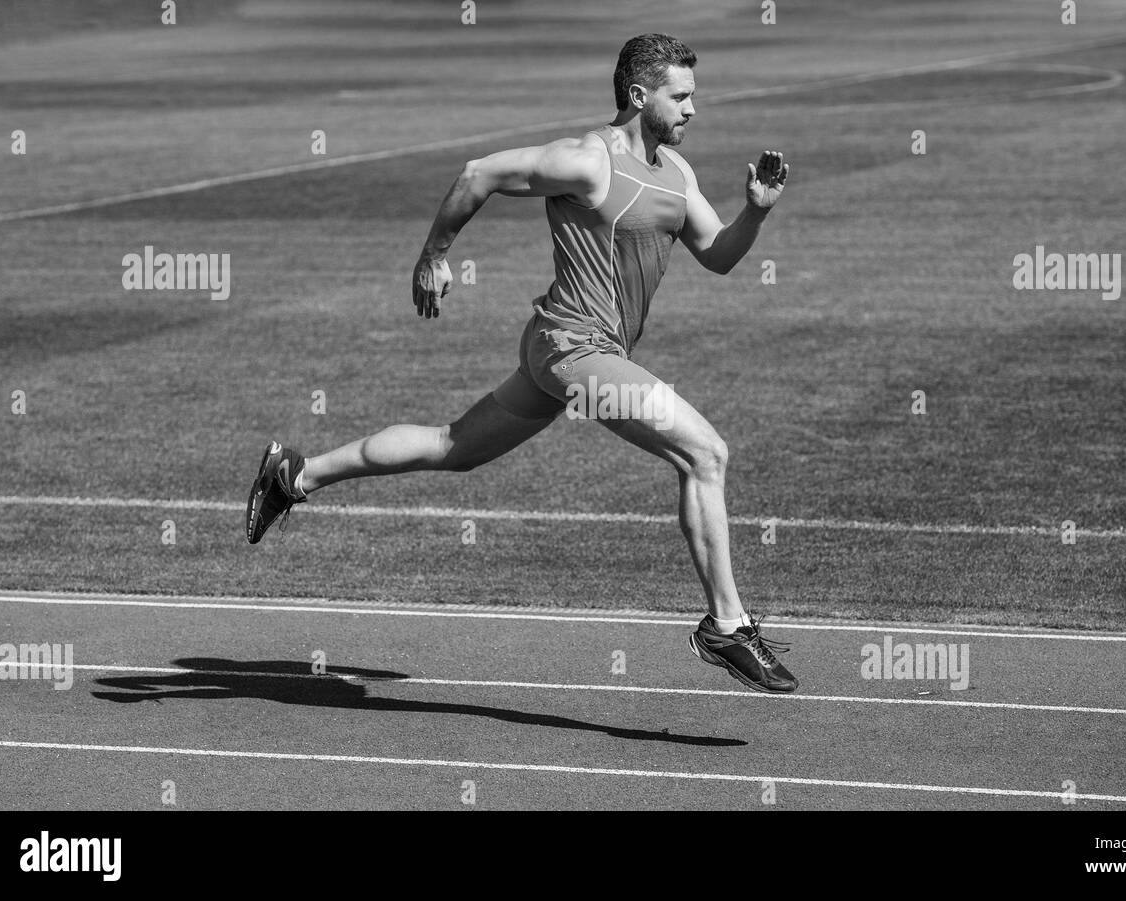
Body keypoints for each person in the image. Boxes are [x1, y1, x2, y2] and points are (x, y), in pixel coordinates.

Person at [246, 33, 797, 692]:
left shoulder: (677, 173)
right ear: (638, 94)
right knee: (705, 453)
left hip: (567, 354)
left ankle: (294, 474)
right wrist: (433, 256)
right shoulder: (588, 162)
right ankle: (726, 625)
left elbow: (719, 254)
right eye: (680, 97)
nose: (692, 109)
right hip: (574, 350)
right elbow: (478, 173)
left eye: (692, 97)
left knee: (453, 446)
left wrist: (755, 214)